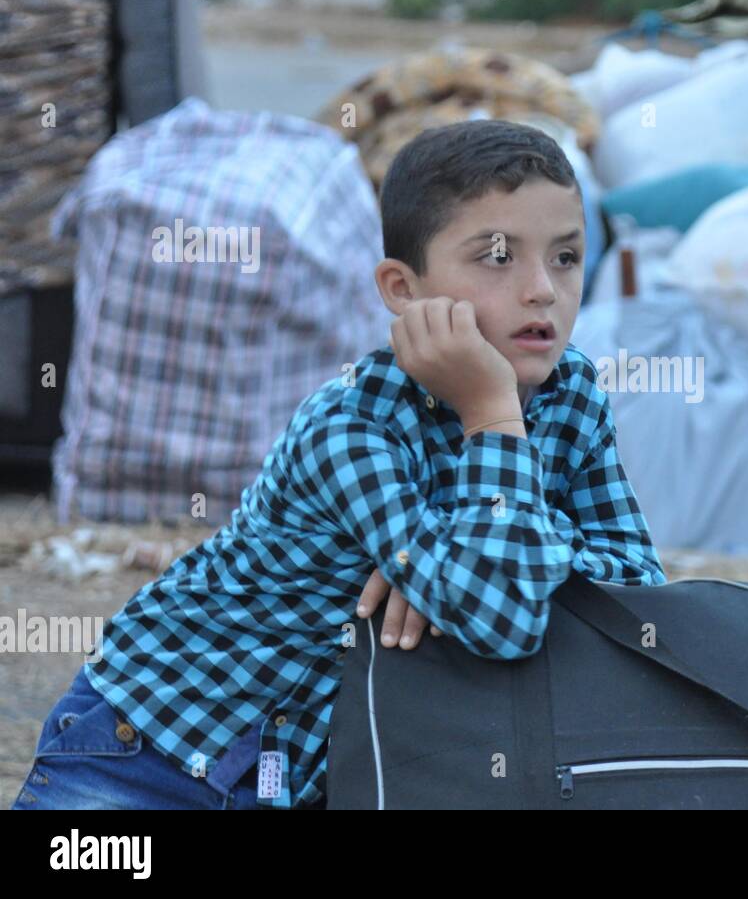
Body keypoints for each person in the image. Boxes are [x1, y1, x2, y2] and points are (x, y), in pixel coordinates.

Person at [11, 119, 667, 810]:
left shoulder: (572, 396)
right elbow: (500, 615)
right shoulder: (353, 426)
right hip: (151, 748)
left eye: (566, 257)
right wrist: (491, 419)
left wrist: (454, 563)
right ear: (403, 289)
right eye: (498, 257)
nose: (542, 289)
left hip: (302, 779)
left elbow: (636, 598)